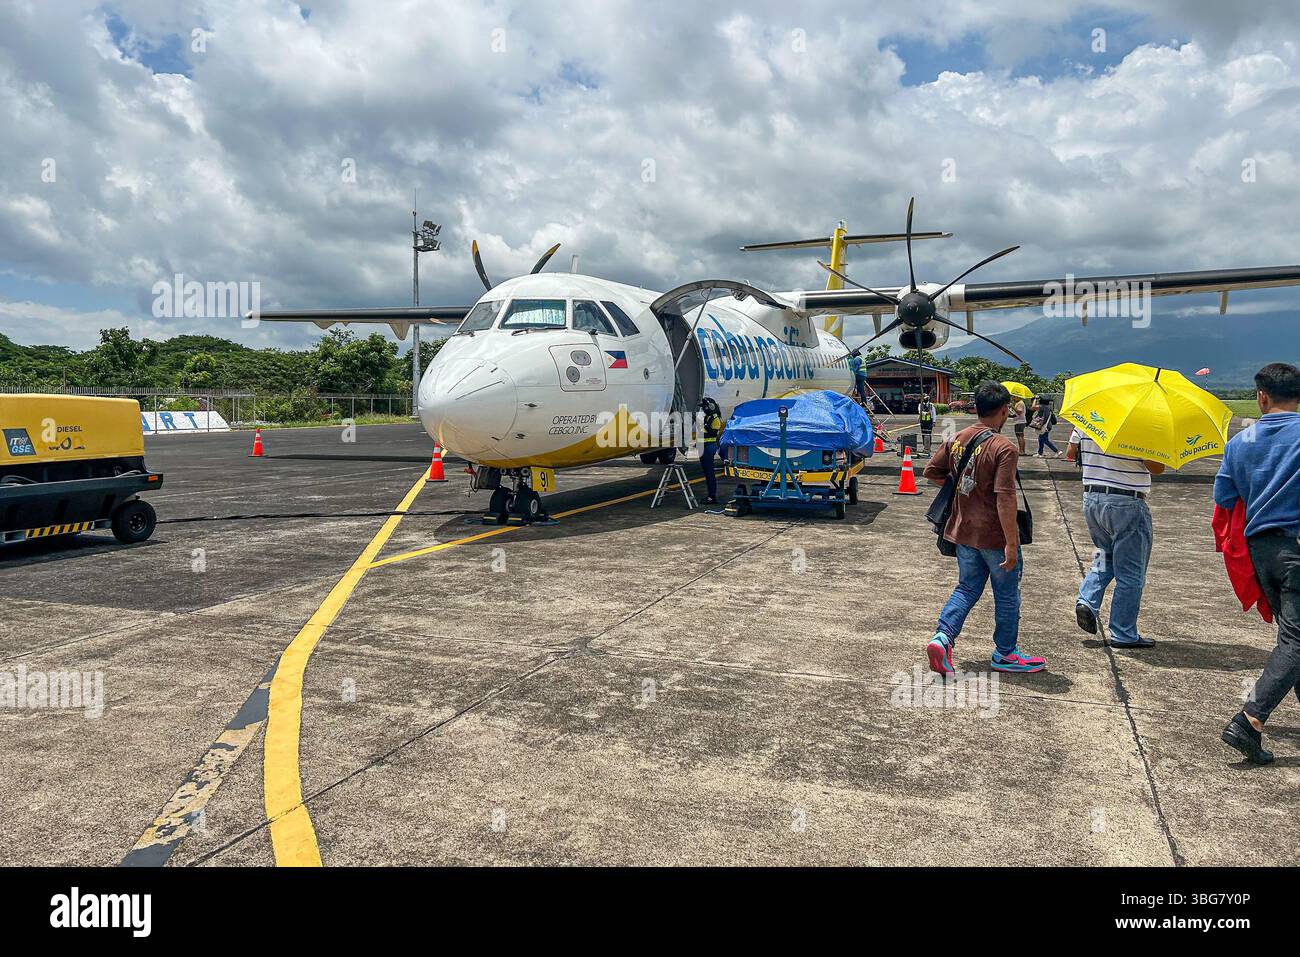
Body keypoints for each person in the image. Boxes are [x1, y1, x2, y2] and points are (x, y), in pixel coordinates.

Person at [923, 380, 1047, 675]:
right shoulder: (1003, 447)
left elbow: (931, 471)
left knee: (967, 587)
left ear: (977, 407)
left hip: (962, 530)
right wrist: (1011, 543)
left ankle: (943, 638)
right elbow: (1005, 496)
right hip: (993, 534)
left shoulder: (958, 437)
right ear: (1005, 410)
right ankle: (1005, 653)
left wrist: (964, 491)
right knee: (1006, 595)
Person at [1213, 362, 1300, 765]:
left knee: (1293, 635)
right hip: (1296, 548)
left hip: (1261, 551)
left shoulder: (1240, 441)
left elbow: (1226, 499)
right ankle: (1250, 720)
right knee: (1296, 640)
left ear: (1261, 397)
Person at [1065, 419, 1165, 648]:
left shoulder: (1087, 420)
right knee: (1131, 571)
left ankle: (1087, 599)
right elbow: (1157, 467)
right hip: (1126, 501)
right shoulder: (1141, 424)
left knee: (1103, 555)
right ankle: (1123, 632)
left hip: (1092, 499)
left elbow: (1071, 452)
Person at [699, 396, 723, 505]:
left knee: (709, 473)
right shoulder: (708, 417)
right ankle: (710, 495)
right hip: (704, 445)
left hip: (709, 446)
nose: (703, 409)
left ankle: (712, 496)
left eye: (704, 407)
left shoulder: (715, 418)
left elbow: (713, 433)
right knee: (706, 472)